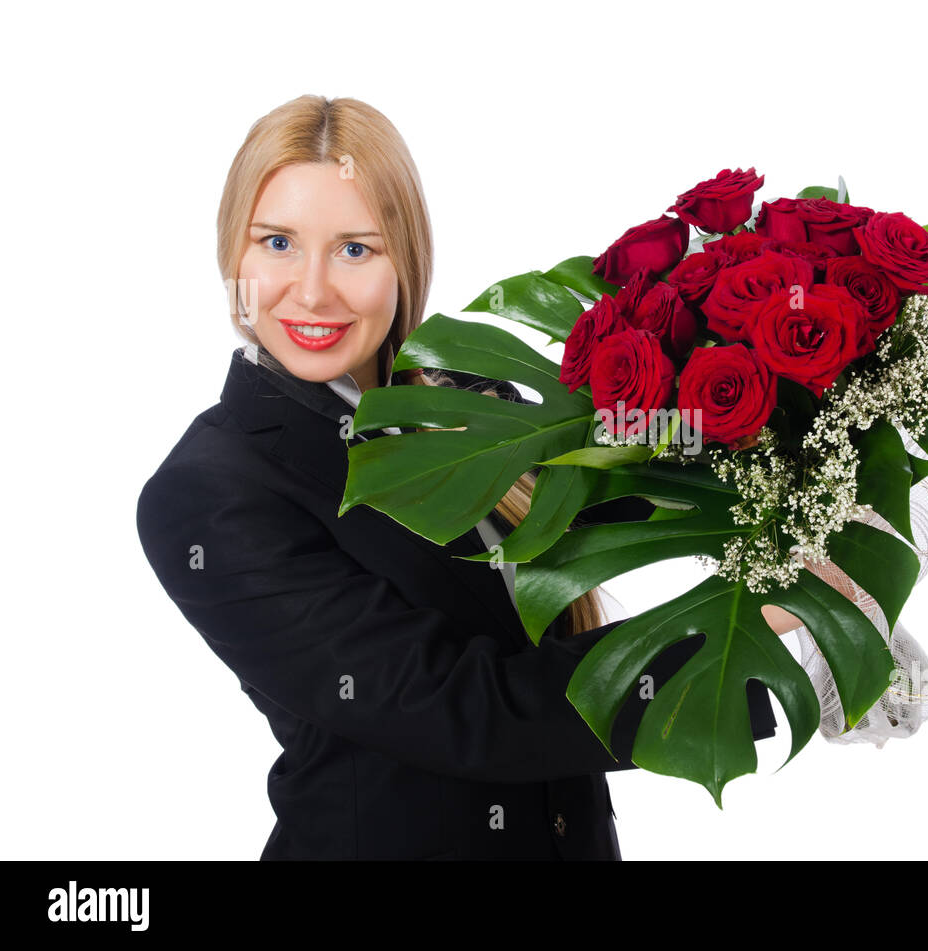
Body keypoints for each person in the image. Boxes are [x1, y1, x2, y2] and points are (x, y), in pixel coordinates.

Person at [135, 94, 778, 861]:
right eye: (277, 242)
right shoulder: (207, 492)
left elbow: (639, 496)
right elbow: (471, 708)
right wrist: (768, 648)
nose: (310, 290)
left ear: (405, 259)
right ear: (233, 256)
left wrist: (820, 475)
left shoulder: (475, 403)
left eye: (354, 249)